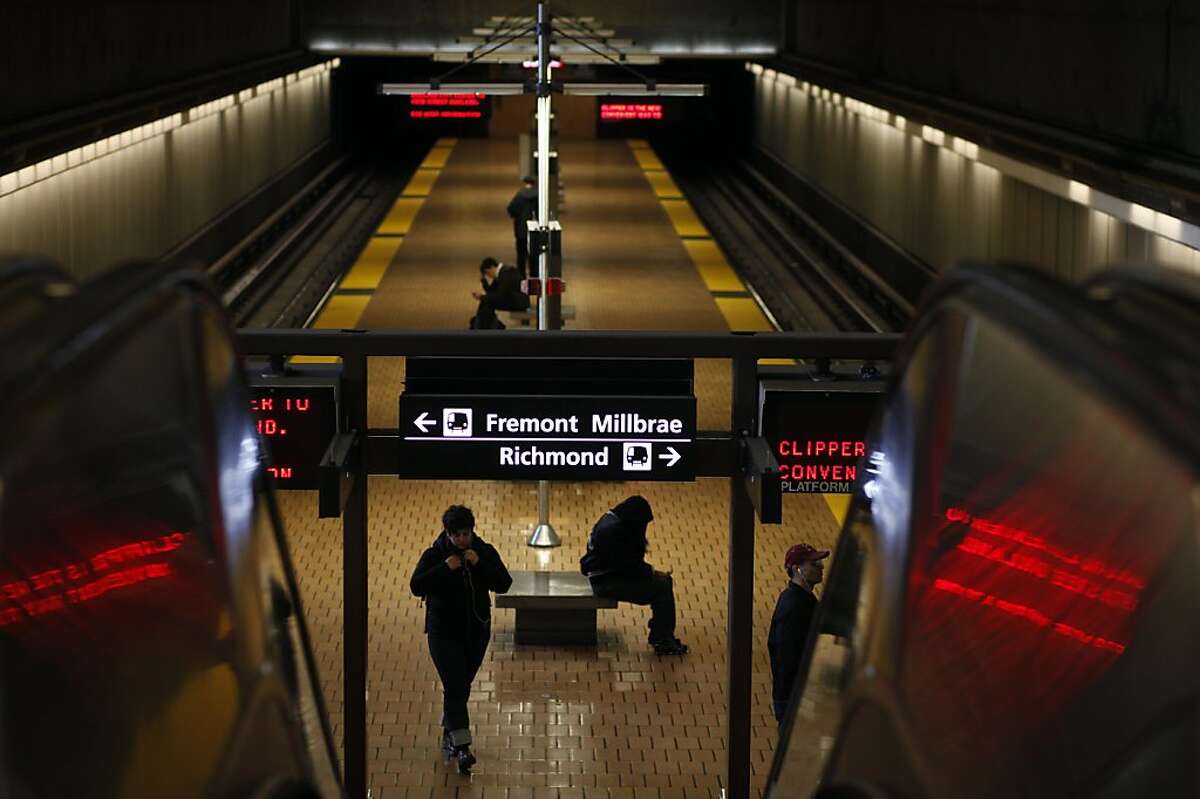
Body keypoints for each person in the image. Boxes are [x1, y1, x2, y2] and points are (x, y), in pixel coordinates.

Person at [410, 505, 512, 773]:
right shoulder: (434, 555)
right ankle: (462, 745)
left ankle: (450, 725)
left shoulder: (483, 552)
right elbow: (416, 585)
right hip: (443, 632)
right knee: (455, 684)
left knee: (461, 684)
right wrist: (444, 569)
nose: (462, 540)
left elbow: (504, 583)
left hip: (476, 631)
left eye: (466, 534)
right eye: (457, 536)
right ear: (448, 534)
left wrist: (480, 565)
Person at [579, 495, 688, 655]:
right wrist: (651, 573)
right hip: (606, 582)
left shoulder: (612, 520)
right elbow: (628, 566)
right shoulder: (616, 531)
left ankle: (660, 633)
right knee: (662, 587)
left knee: (661, 582)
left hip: (604, 575)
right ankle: (662, 638)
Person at [767, 542, 829, 726]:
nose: (821, 567)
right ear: (797, 569)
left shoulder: (802, 598)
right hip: (796, 698)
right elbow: (786, 657)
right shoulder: (794, 606)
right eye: (814, 564)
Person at [469, 256, 529, 330]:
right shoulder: (502, 272)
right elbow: (493, 292)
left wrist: (482, 297)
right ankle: (482, 326)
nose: (489, 276)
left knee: (487, 304)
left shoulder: (506, 274)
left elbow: (500, 296)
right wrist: (485, 283)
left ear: (491, 268)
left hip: (518, 303)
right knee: (486, 302)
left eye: (487, 273)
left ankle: (482, 327)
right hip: (513, 300)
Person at [505, 175, 538, 277]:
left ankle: (521, 275)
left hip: (521, 229)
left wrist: (516, 216)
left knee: (521, 254)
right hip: (534, 228)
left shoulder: (520, 195)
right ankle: (534, 274)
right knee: (533, 253)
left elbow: (511, 208)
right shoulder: (538, 195)